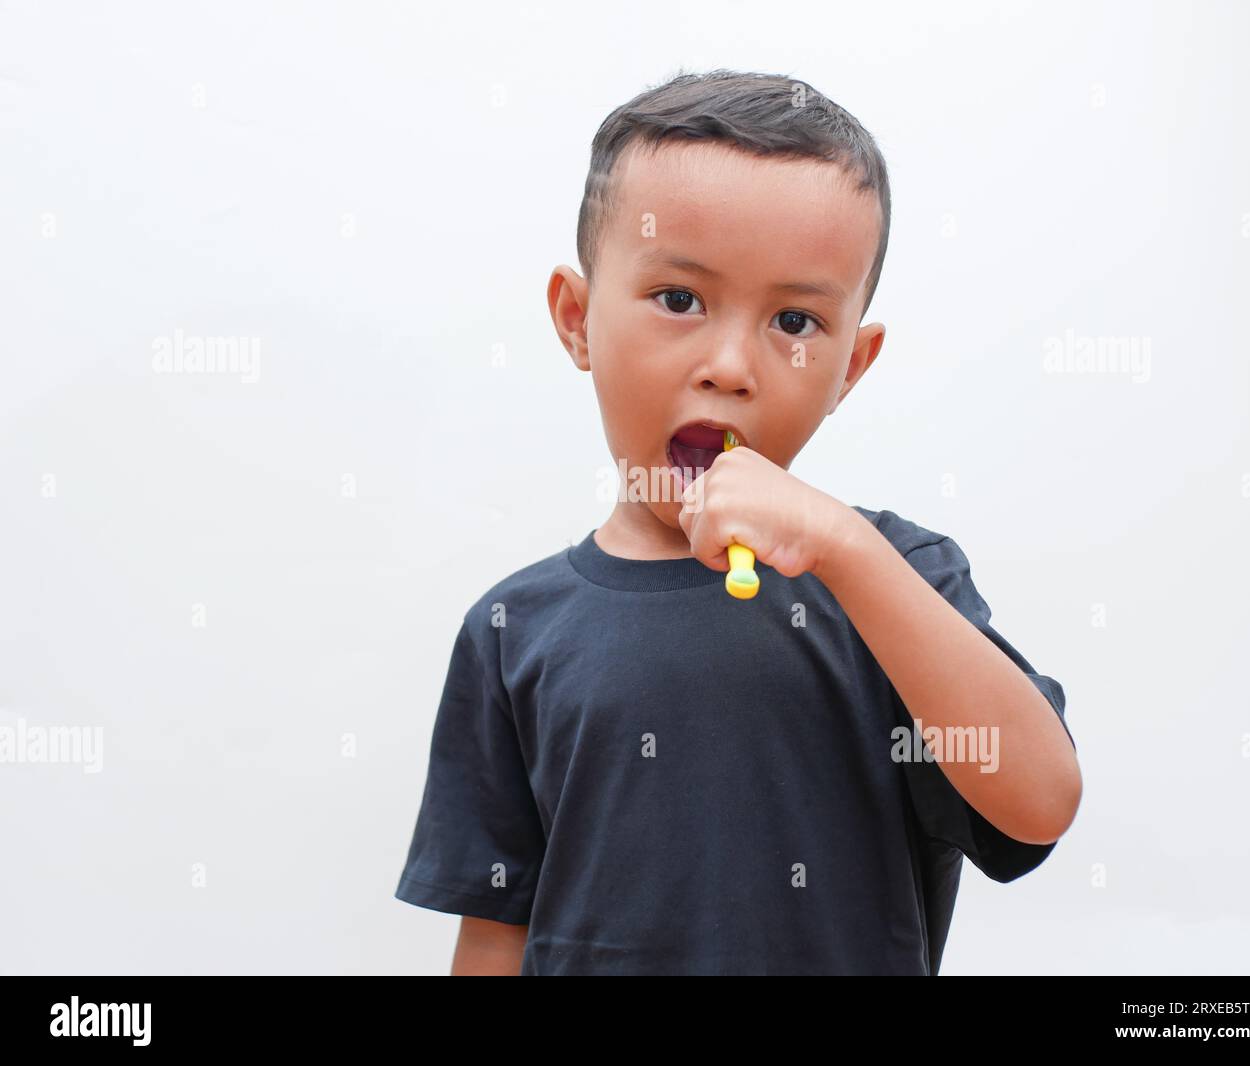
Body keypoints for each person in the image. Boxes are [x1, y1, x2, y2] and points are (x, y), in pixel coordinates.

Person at [394, 68, 1082, 975]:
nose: (729, 365)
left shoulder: (895, 577)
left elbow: (1037, 801)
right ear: (577, 319)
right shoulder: (509, 631)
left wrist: (844, 549)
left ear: (851, 367)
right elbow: (492, 934)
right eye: (679, 299)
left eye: (794, 319)